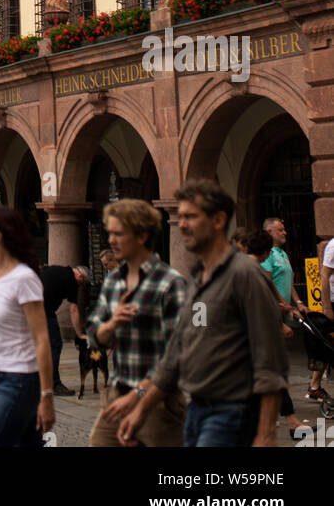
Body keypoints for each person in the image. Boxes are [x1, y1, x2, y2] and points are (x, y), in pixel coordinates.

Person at [118, 179, 288, 449]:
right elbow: (177, 353)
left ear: (219, 220)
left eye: (190, 216)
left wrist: (266, 432)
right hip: (197, 411)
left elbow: (270, 357)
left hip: (234, 413)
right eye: (180, 216)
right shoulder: (198, 277)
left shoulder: (244, 274)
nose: (181, 224)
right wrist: (141, 408)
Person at [86, 199, 187, 447]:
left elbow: (176, 356)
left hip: (158, 402)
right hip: (117, 395)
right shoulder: (114, 281)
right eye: (109, 233)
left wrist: (138, 396)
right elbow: (93, 334)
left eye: (118, 234)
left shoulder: (170, 283)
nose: (111, 240)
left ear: (142, 236)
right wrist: (111, 325)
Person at [0, 206, 55, 447]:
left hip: (21, 380)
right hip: (2, 378)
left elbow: (41, 339)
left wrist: (47, 395)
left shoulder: (24, 278)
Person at [246, 229, 309, 440]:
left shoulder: (252, 269)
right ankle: (284, 423)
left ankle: (288, 422)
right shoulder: (252, 271)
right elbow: (257, 304)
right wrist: (279, 324)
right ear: (265, 252)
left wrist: (288, 305)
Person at [40, 261, 89, 396]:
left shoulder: (55, 268)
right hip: (44, 312)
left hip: (29, 308)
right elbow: (73, 310)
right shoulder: (72, 281)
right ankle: (53, 384)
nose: (80, 285)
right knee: (55, 345)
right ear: (79, 275)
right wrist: (79, 333)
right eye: (82, 282)